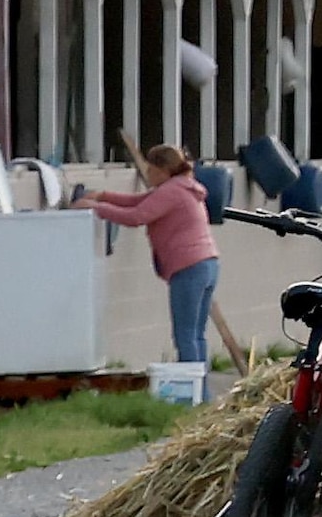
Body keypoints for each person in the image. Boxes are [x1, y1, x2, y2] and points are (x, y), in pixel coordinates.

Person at [83, 142, 225, 367]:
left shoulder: (172, 191)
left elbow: (136, 216)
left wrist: (94, 208)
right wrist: (102, 196)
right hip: (207, 263)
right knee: (197, 334)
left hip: (188, 267)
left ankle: (191, 394)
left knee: (185, 335)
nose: (148, 174)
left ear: (164, 170)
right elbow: (139, 201)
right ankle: (200, 390)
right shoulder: (184, 186)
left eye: (151, 169)